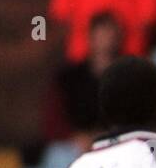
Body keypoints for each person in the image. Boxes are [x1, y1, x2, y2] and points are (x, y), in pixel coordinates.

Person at [42, 12, 124, 146]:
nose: (106, 39)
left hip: (118, 146)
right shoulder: (68, 79)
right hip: (73, 147)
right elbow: (53, 123)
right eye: (101, 34)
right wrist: (75, 137)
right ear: (90, 37)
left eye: (110, 34)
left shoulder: (131, 79)